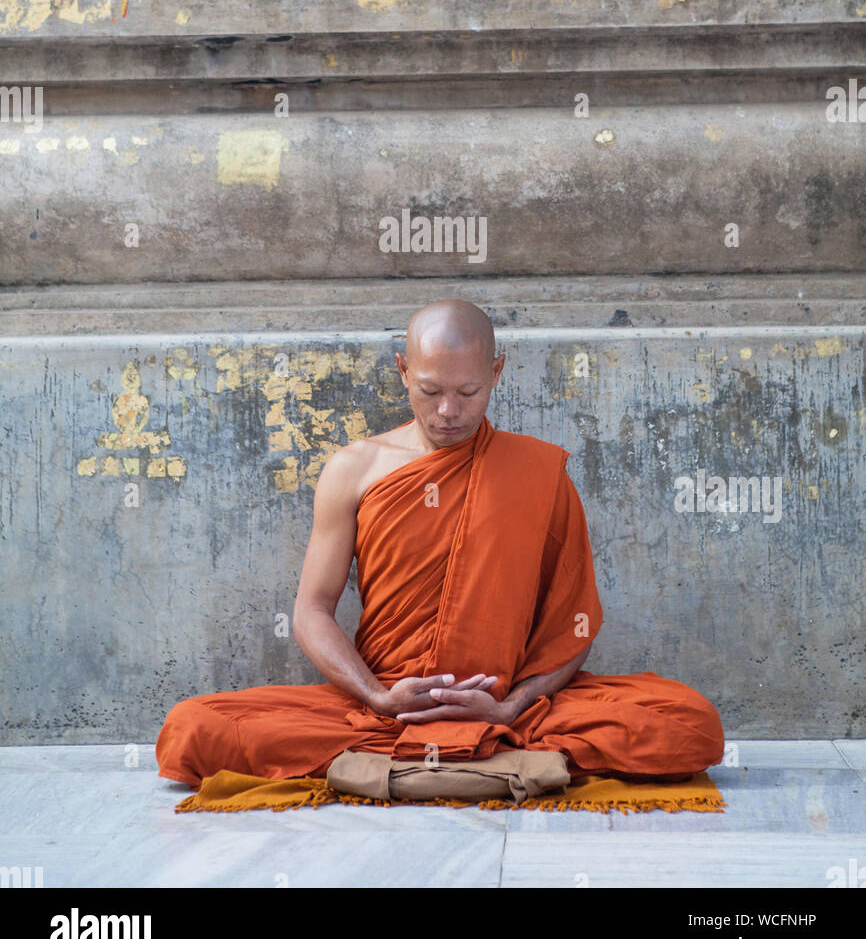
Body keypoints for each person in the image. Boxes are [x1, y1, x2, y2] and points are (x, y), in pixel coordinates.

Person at [157, 300, 724, 787]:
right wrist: (377, 697)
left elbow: (573, 629)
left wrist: (511, 704)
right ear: (403, 370)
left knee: (691, 724)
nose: (449, 411)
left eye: (468, 391)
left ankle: (399, 770)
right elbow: (311, 611)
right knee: (192, 729)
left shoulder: (538, 473)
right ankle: (500, 769)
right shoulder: (355, 469)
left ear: (497, 372)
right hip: (383, 707)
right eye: (429, 390)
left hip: (508, 708)